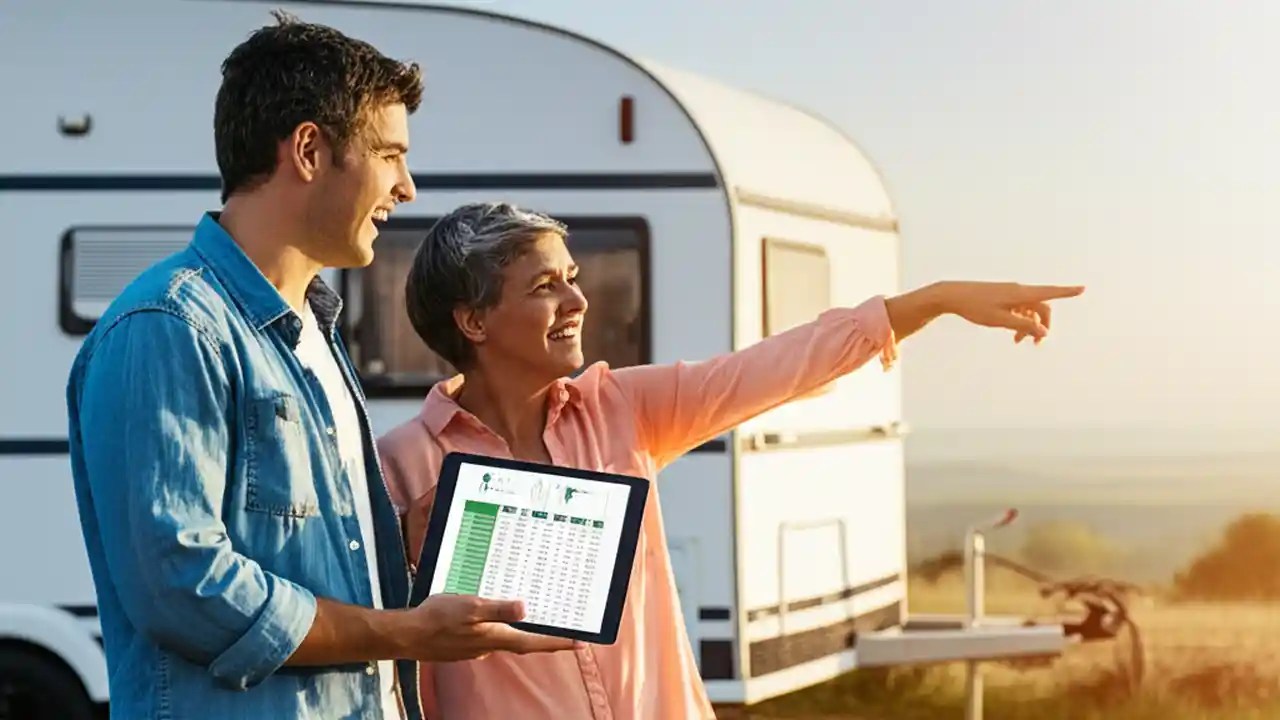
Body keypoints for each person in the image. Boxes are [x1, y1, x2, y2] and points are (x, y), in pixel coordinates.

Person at [376, 201, 1086, 719]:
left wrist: (934, 303)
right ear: (472, 321)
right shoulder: (405, 465)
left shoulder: (623, 408)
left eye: (572, 277)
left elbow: (774, 367)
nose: (578, 299)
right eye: (545, 286)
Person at [64, 16, 569, 720]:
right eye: (390, 155)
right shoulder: (169, 326)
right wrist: (403, 633)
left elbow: (281, 547)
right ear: (308, 150)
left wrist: (399, 539)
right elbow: (182, 585)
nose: (408, 187)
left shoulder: (315, 333)